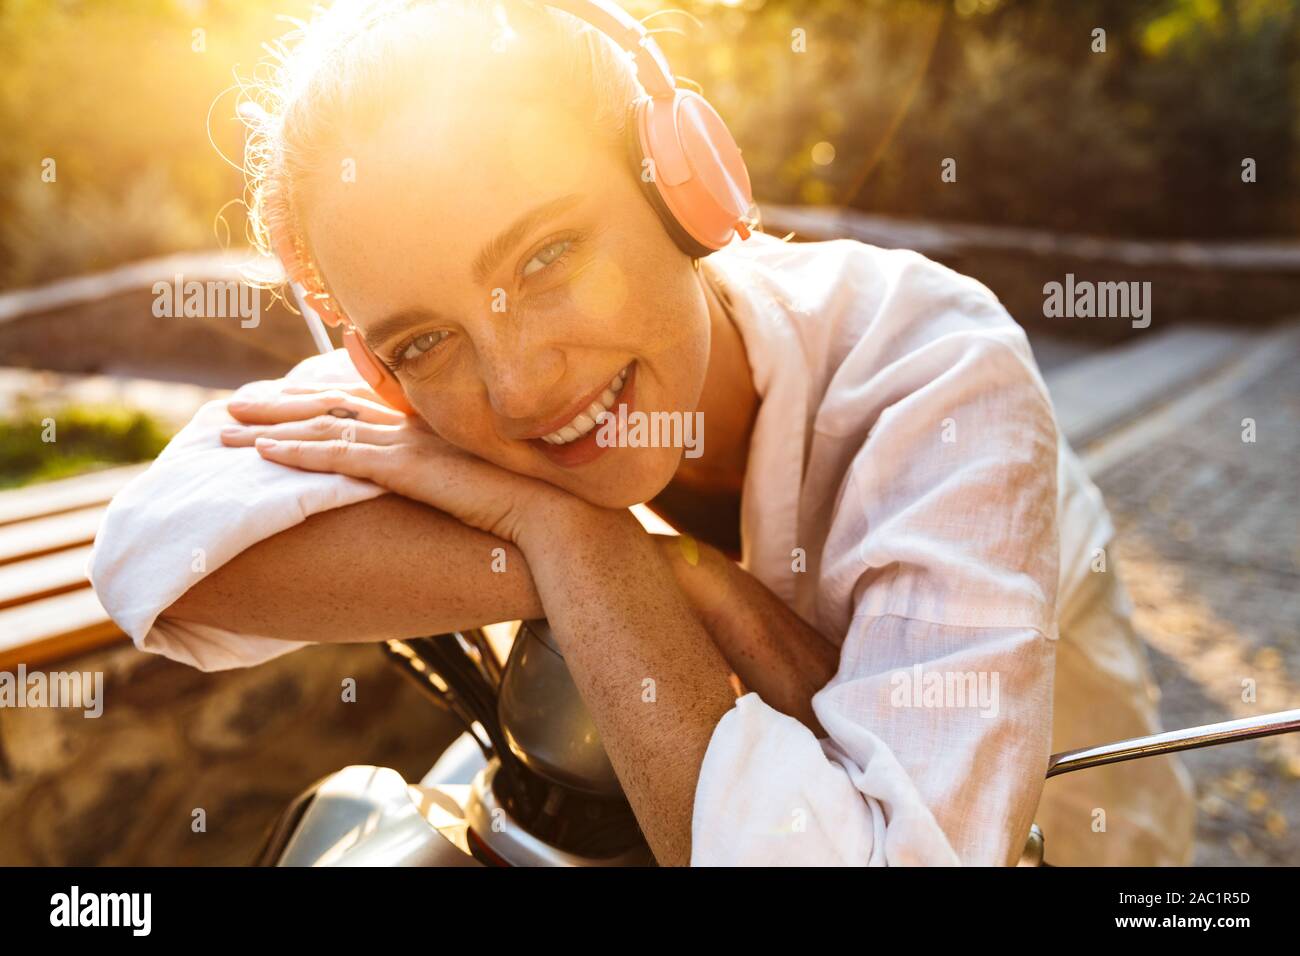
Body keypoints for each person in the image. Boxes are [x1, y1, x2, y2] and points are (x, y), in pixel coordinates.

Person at [90, 0, 1193, 866]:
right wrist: (608, 558)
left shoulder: (935, 363)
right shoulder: (418, 387)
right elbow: (154, 554)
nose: (518, 386)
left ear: (687, 189)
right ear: (375, 367)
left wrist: (593, 554)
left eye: (544, 256)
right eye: (422, 341)